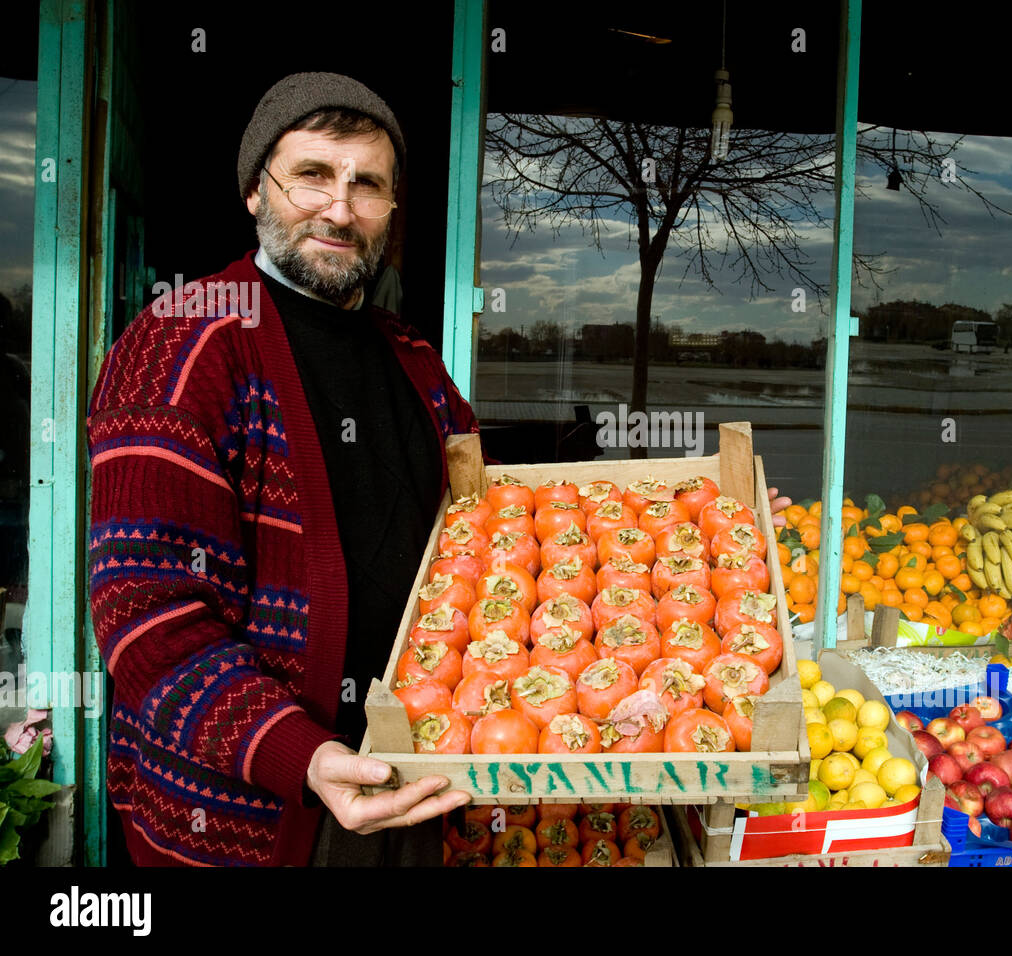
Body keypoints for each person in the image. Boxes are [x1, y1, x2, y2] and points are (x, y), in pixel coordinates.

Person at [88, 72, 792, 867]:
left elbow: (488, 500)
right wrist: (302, 755)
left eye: (369, 186)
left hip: (419, 770)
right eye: (313, 175)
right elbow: (145, 617)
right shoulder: (180, 350)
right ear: (257, 190)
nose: (340, 208)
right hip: (254, 814)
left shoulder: (409, 354)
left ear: (391, 210)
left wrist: (692, 518)